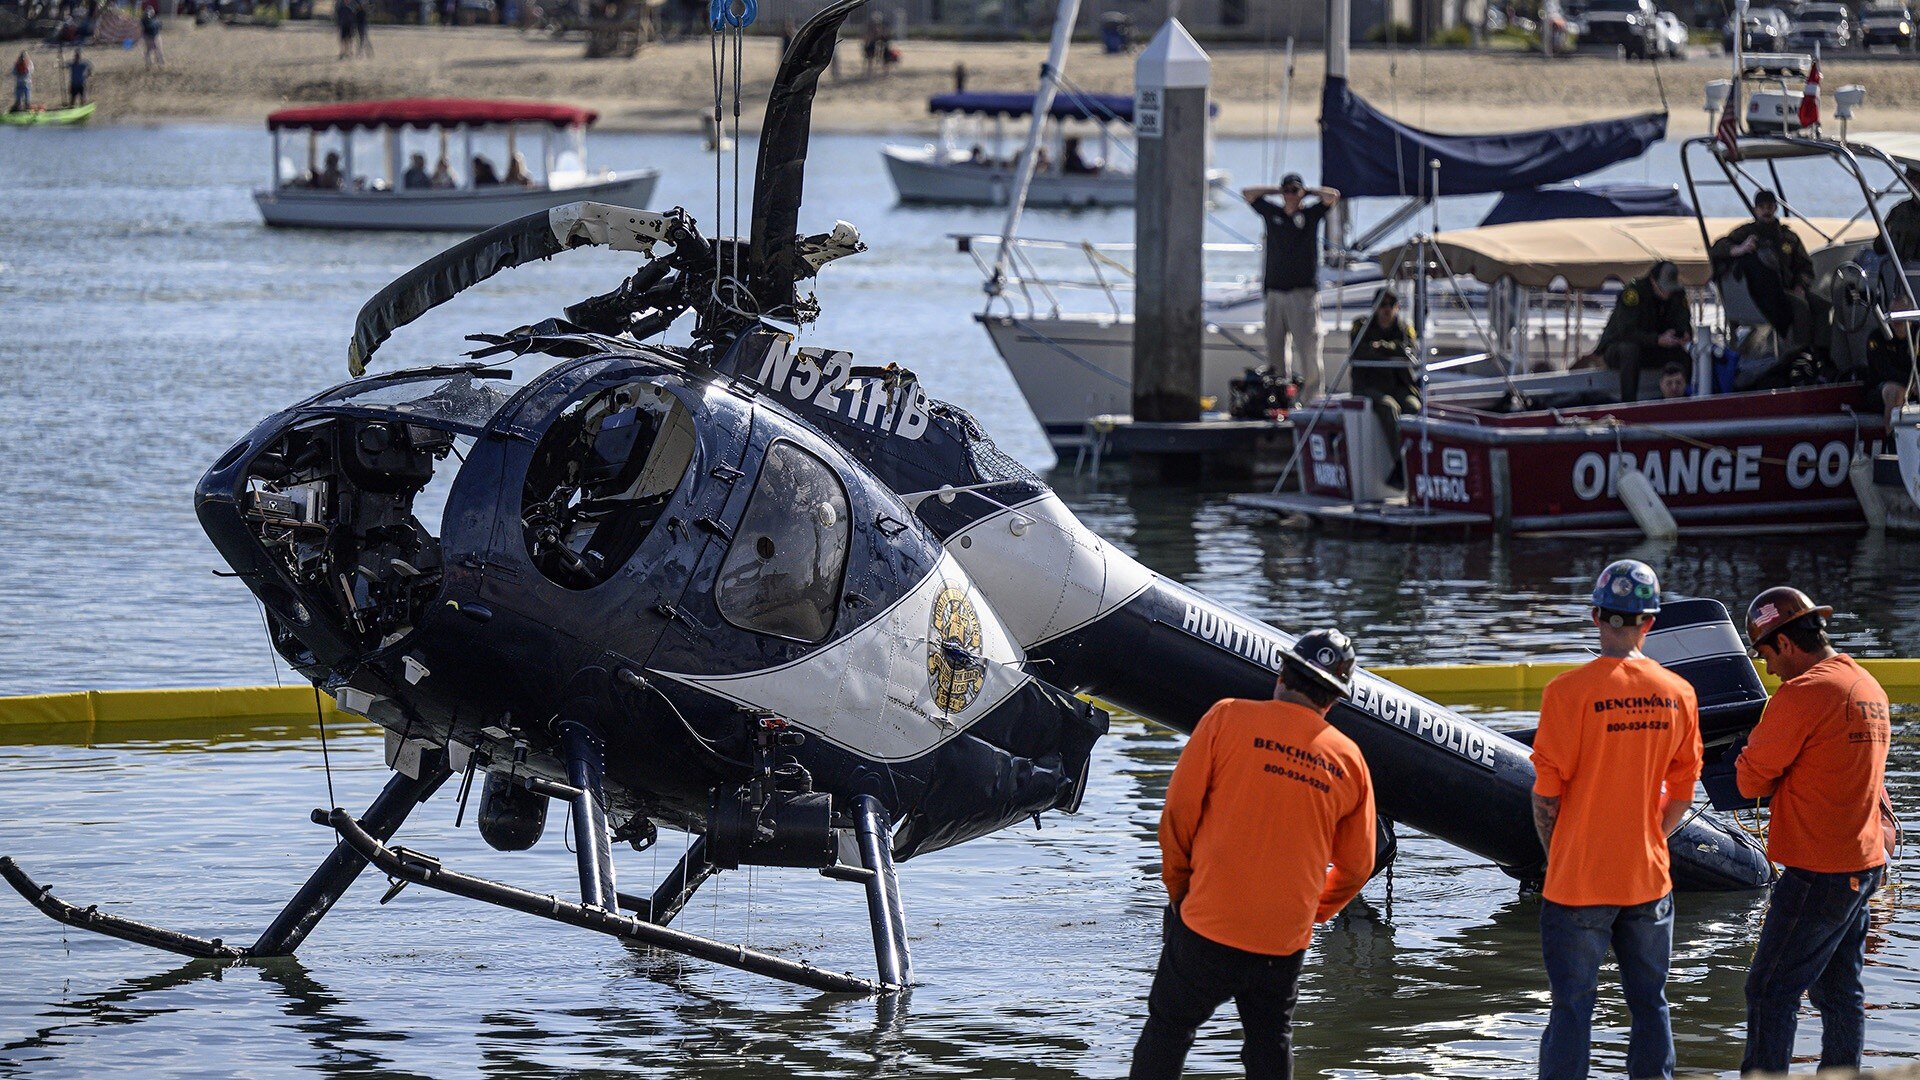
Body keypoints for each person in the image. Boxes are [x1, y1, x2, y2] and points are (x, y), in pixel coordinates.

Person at [1130, 629, 1376, 1080]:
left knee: (1170, 1028)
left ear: (1282, 675)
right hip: (1282, 939)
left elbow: (1177, 819)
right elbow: (1359, 864)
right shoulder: (1349, 759)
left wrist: (1181, 891)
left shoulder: (1226, 718)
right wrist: (1312, 912)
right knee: (1269, 1040)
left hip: (1208, 921)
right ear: (1334, 701)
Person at [1530, 559, 1701, 1080]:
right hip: (1647, 878)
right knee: (1650, 1005)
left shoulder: (1567, 692)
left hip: (1578, 879)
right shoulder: (1680, 693)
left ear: (1596, 615)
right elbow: (1681, 792)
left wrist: (1557, 853)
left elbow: (1546, 799)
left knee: (1571, 1009)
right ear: (1650, 622)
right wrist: (1651, 838)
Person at [1734, 587, 1892, 1075]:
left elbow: (1749, 778)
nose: (1768, 668)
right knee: (1839, 990)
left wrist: (1746, 751)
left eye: (1765, 654)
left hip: (1818, 873)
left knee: (1770, 989)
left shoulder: (1803, 694)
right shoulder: (1866, 685)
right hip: (1861, 865)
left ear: (1784, 643)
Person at [1243, 173, 1340, 404]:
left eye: (1293, 190)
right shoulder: (1272, 213)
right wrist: (1278, 191)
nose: (1290, 194)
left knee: (1308, 349)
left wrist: (1306, 192)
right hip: (1275, 293)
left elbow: (1332, 196)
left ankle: (1312, 399)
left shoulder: (1310, 215)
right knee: (1275, 350)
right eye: (1286, 190)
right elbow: (1247, 194)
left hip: (1302, 294)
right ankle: (1278, 398)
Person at [1712, 189, 1815, 360]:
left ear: (1775, 208)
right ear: (1755, 210)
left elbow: (1805, 266)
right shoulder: (1745, 233)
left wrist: (1800, 285)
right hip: (1766, 295)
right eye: (1761, 207)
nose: (1766, 211)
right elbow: (1717, 248)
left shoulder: (1788, 237)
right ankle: (1799, 355)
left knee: (1823, 306)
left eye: (1769, 206)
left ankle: (1823, 354)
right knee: (1801, 308)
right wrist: (1739, 249)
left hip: (1792, 289)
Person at [1583, 260, 1690, 403]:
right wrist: (1657, 339)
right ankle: (1629, 402)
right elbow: (1626, 332)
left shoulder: (1676, 294)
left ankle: (1686, 396)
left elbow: (1683, 319)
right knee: (1630, 350)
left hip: (1655, 348)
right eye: (1663, 289)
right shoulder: (1634, 293)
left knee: (1686, 355)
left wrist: (1683, 335)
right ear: (1653, 280)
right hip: (1619, 349)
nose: (1667, 293)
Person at [1348, 288, 1418, 488]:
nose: (1387, 310)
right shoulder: (1361, 327)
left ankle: (1417, 464)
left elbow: (1409, 352)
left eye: (1391, 305)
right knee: (1389, 407)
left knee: (1413, 407)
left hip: (1398, 385)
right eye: (1382, 305)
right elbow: (1359, 352)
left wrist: (1383, 347)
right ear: (1375, 308)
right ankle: (1400, 464)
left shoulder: (1404, 329)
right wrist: (1388, 349)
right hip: (1369, 385)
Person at [139, 3, 163, 67]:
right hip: (148, 37)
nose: (152, 12)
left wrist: (158, 24)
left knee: (158, 50)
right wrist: (157, 23)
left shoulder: (154, 18)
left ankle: (160, 64)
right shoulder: (144, 19)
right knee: (149, 51)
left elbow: (159, 26)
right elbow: (149, 26)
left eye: (152, 10)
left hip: (156, 36)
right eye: (150, 11)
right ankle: (148, 64)